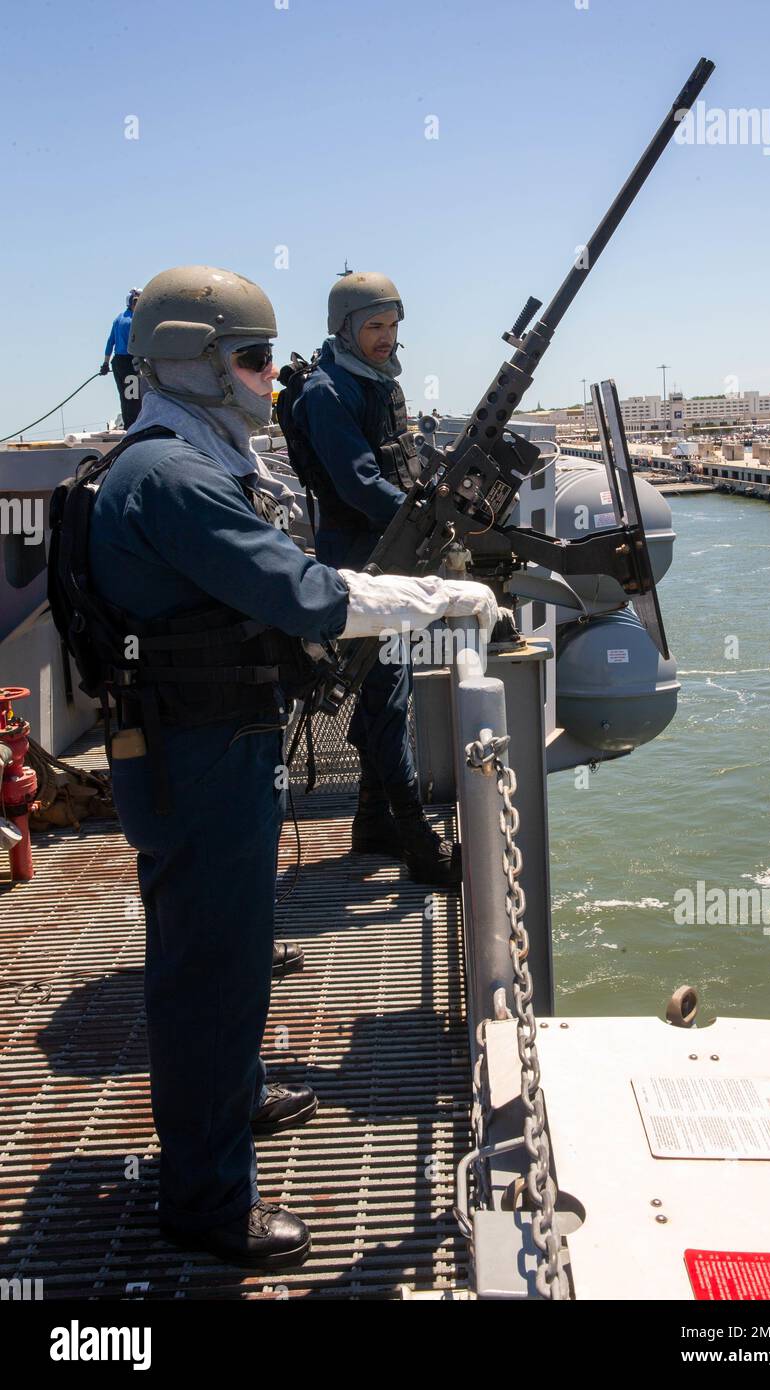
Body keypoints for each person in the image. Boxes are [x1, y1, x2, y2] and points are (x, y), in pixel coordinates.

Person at [83, 265, 497, 1269]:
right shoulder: (172, 477)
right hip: (201, 756)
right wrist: (435, 602)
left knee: (220, 952)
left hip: (211, 746)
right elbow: (305, 595)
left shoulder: (179, 457)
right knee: (208, 967)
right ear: (191, 360)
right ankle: (208, 1200)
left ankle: (230, 1097)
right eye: (255, 359)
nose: (274, 378)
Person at [292, 272, 461, 887]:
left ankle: (371, 820)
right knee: (386, 695)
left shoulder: (370, 380)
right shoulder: (328, 391)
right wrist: (424, 518)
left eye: (392, 327)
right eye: (373, 327)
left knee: (388, 689)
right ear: (345, 329)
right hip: (361, 559)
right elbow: (358, 483)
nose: (386, 339)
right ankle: (418, 840)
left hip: (391, 549)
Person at [100, 288, 143, 427]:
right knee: (134, 397)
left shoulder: (118, 318)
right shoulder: (134, 321)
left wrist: (105, 364)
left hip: (117, 363)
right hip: (129, 362)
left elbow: (110, 342)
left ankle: (129, 426)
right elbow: (137, 344)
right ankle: (132, 427)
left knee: (125, 397)